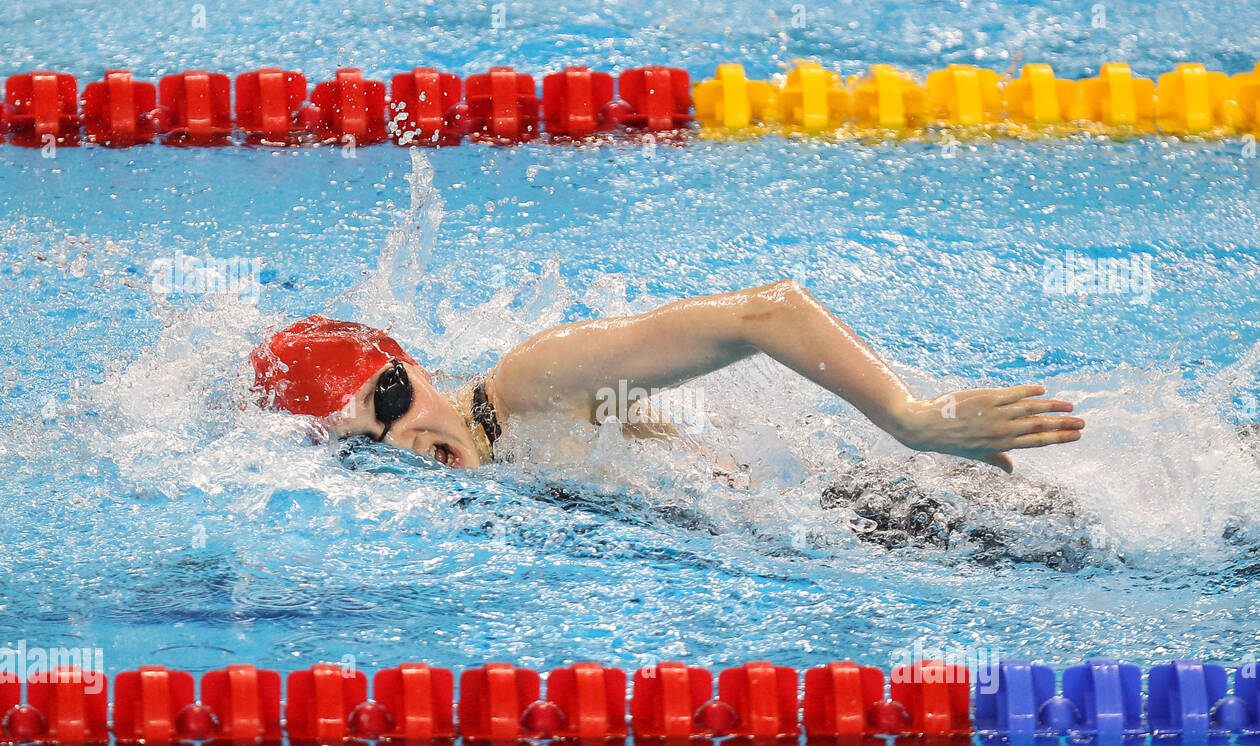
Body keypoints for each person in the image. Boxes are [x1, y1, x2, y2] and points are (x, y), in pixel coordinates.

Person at [249, 279, 1085, 474]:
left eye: (387, 399)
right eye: (364, 445)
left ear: (414, 367)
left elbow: (770, 312)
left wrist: (912, 418)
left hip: (878, 506)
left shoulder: (535, 380)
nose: (400, 437)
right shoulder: (491, 468)